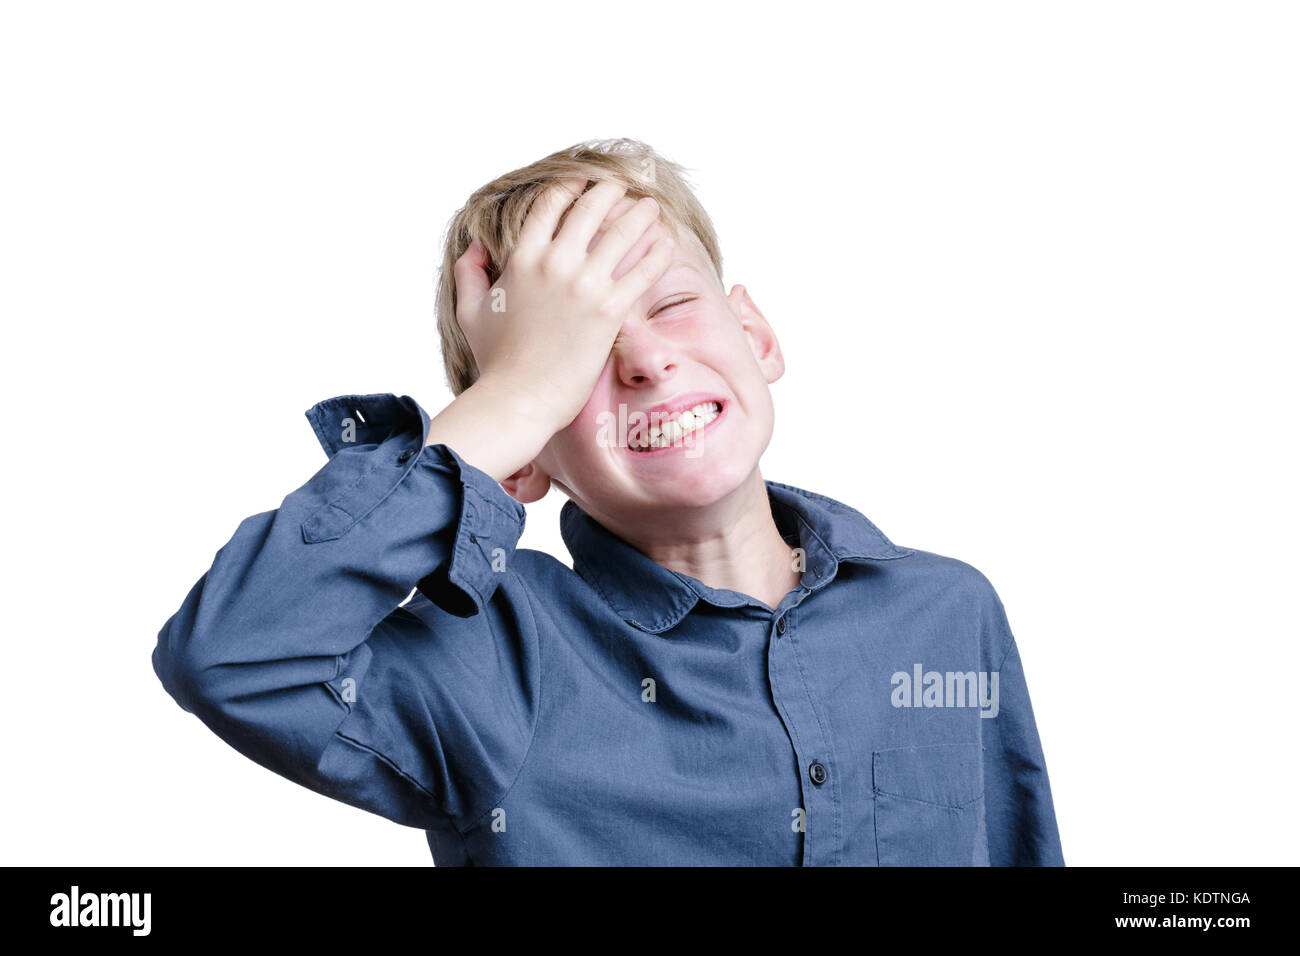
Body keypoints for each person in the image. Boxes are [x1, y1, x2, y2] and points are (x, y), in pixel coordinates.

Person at [153, 138, 1064, 866]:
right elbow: (229, 658)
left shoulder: (948, 615)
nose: (646, 360)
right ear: (521, 455)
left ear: (755, 334)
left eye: (669, 305)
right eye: (575, 353)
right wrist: (506, 402)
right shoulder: (493, 663)